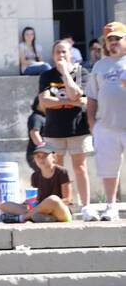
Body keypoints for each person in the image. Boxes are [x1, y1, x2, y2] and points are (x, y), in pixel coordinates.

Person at [37, 38, 94, 220]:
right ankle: (63, 206)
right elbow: (45, 101)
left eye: (64, 51)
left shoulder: (82, 72)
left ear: (71, 54)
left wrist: (65, 74)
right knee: (58, 170)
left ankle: (85, 207)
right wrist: (71, 101)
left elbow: (79, 94)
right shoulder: (46, 76)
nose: (61, 55)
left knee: (80, 167)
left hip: (78, 128)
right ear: (53, 56)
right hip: (54, 129)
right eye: (57, 52)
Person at [85, 21, 126, 221]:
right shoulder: (100, 66)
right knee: (109, 168)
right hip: (106, 125)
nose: (113, 42)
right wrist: (92, 122)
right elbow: (92, 95)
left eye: (118, 38)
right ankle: (111, 206)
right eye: (110, 39)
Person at [0, 144, 73, 222]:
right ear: (34, 159)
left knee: (53, 199)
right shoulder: (35, 176)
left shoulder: (62, 172)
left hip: (60, 211)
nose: (41, 159)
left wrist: (45, 205)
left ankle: (22, 218)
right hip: (38, 210)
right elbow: (35, 198)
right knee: (3, 205)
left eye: (44, 156)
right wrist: (29, 204)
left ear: (54, 157)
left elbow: (67, 199)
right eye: (38, 156)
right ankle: (45, 218)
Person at [25, 95, 45, 173]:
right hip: (38, 154)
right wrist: (44, 150)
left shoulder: (43, 117)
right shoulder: (36, 117)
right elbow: (34, 134)